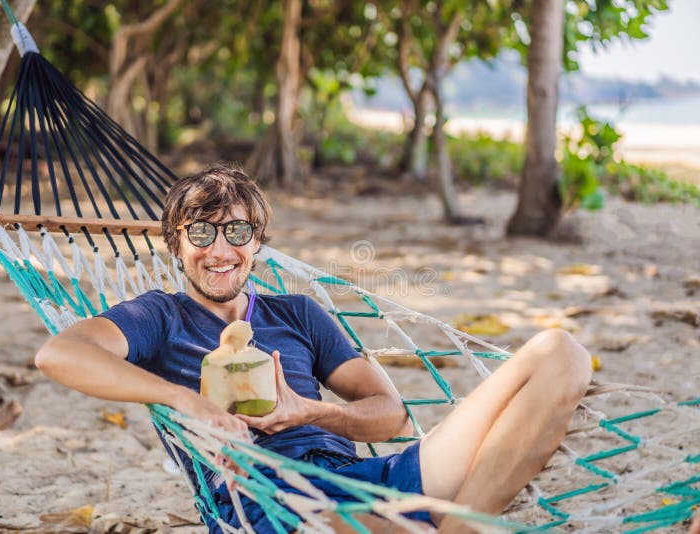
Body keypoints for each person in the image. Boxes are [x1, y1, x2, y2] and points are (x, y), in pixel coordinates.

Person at [35, 163, 592, 533]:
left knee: (560, 352)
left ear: (258, 244)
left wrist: (310, 412)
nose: (219, 249)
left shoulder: (296, 313)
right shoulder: (160, 316)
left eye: (236, 232)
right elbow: (60, 354)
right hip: (272, 502)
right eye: (200, 233)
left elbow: (391, 416)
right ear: (176, 244)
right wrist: (186, 401)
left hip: (363, 479)